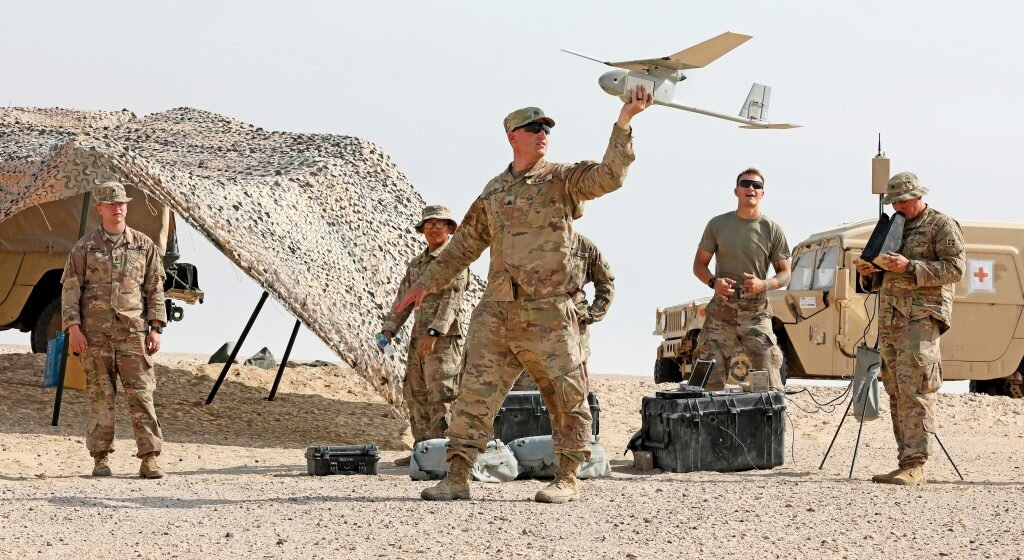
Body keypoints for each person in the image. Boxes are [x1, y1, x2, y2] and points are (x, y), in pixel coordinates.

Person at [395, 87, 652, 503]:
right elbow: (465, 246)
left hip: (550, 311)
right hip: (497, 313)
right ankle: (457, 475)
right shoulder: (494, 191)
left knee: (566, 394)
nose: (542, 133)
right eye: (533, 128)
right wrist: (426, 284)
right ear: (513, 136)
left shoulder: (563, 179)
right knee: (473, 396)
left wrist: (625, 122)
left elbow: (610, 176)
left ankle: (567, 476)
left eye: (546, 128)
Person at [856, 172, 965, 486]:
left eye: (903, 201)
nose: (898, 206)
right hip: (891, 320)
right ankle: (905, 461)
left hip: (920, 321)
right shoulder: (894, 227)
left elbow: (956, 268)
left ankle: (917, 464)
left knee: (916, 390)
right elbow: (884, 276)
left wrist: (911, 266)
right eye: (895, 202)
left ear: (918, 195)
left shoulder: (941, 225)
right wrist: (869, 273)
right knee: (896, 391)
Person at [60, 181, 168, 478]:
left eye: (121, 203)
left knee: (142, 395)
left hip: (133, 334)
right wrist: (74, 329)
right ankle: (101, 458)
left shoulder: (144, 245)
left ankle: (149, 458)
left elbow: (155, 289)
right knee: (100, 396)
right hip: (95, 337)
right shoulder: (84, 248)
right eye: (111, 204)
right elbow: (70, 291)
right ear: (100, 209)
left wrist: (156, 328)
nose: (117, 208)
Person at [380, 205, 469, 466]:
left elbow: (452, 300)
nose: (433, 228)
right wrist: (389, 330)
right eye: (428, 224)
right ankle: (422, 452)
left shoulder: (455, 260)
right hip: (418, 338)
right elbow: (403, 301)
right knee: (415, 393)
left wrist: (434, 331)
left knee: (441, 394)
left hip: (443, 339)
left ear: (450, 229)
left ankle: (442, 453)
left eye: (439, 223)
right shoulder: (416, 265)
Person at [692, 168, 791, 390]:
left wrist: (763, 284)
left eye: (757, 186)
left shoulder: (772, 229)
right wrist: (713, 282)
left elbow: (785, 273)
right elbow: (699, 265)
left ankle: (767, 423)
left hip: (756, 314)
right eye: (745, 184)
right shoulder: (717, 225)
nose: (751, 189)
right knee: (707, 381)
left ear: (762, 194)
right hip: (721, 312)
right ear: (736, 191)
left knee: (767, 381)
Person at [512, 232, 615, 391]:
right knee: (525, 385)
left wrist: (592, 313)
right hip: (533, 323)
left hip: (572, 324)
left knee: (573, 386)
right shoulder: (527, 242)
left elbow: (606, 283)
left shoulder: (583, 246)